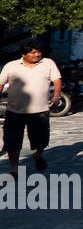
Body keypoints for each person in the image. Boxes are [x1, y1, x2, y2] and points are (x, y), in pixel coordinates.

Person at [0, 40, 61, 177]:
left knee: (41, 140)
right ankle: (14, 168)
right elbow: (1, 83)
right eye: (33, 52)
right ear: (24, 54)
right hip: (15, 111)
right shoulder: (11, 66)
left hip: (40, 111)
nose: (37, 55)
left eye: (39, 52)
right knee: (12, 141)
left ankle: (38, 155)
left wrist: (56, 95)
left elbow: (56, 80)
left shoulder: (48, 63)